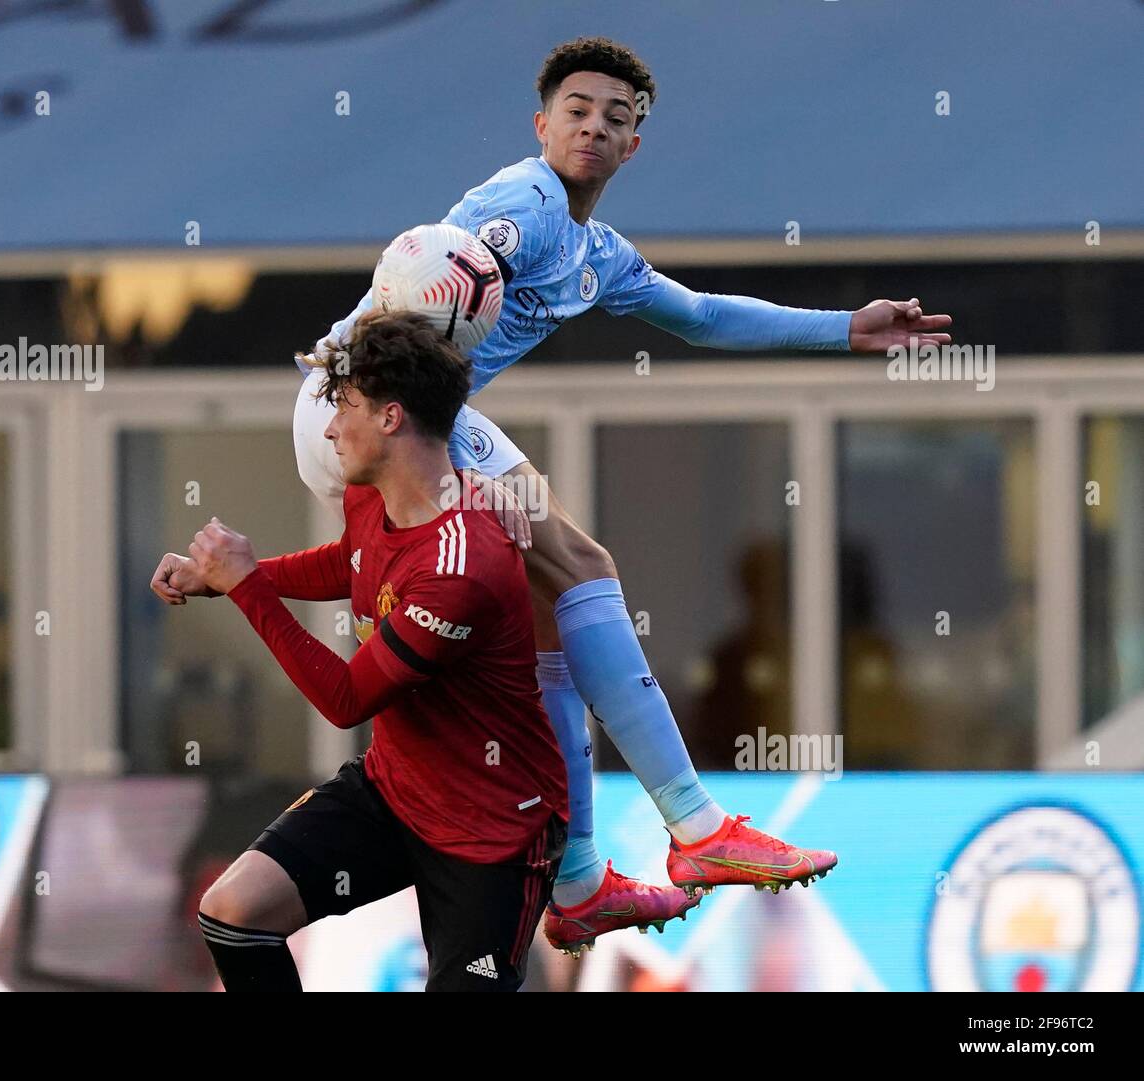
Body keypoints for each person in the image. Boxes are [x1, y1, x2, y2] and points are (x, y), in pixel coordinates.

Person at [290, 38, 880, 940]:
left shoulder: (597, 254)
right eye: (577, 109)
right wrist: (359, 379)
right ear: (543, 123)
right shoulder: (518, 208)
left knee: (547, 620)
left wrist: (845, 328)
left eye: (617, 118)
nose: (594, 127)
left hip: (406, 418)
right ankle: (698, 828)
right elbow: (418, 285)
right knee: (579, 558)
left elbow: (704, 317)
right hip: (366, 407)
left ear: (634, 144)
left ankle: (576, 880)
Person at [154, 312, 692, 987]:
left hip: (494, 834)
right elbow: (351, 562)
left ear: (390, 417)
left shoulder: (463, 563)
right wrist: (230, 578)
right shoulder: (368, 499)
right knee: (233, 911)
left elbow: (346, 698)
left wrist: (246, 588)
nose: (327, 429)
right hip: (396, 791)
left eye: (342, 406)